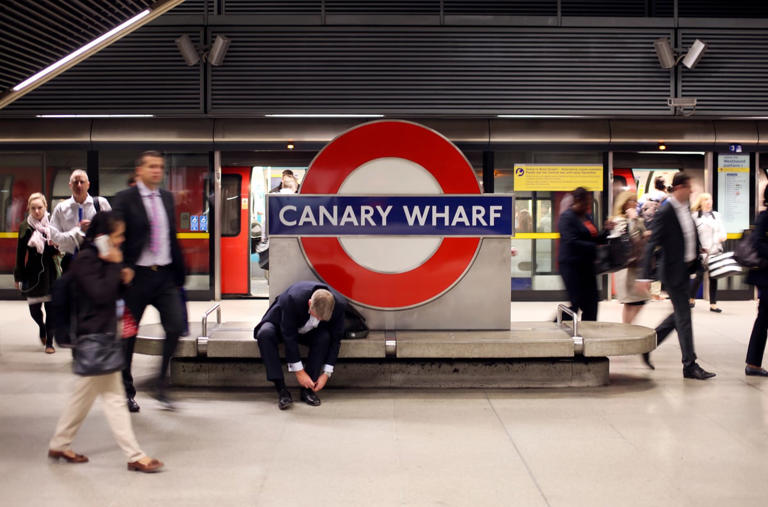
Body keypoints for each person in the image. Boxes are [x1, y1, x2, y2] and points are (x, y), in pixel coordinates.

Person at [48, 211, 163, 473]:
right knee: (113, 398)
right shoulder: (86, 260)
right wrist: (115, 267)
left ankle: (60, 442)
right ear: (102, 237)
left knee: (87, 396)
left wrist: (123, 280)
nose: (121, 240)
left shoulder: (99, 259)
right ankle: (134, 455)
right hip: (93, 336)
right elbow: (100, 295)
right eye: (117, 235)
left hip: (103, 335)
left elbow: (110, 294)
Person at [113, 151, 186, 412]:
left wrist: (180, 273)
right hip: (136, 278)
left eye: (160, 167)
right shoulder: (125, 199)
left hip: (164, 276)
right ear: (139, 170)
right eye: (152, 166)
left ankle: (161, 383)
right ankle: (127, 391)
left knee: (176, 326)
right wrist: (123, 267)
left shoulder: (166, 198)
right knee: (128, 338)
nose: (157, 171)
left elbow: (171, 236)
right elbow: (114, 235)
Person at [638, 172, 715, 380]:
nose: (691, 191)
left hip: (686, 269)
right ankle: (689, 365)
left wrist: (697, 250)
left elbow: (687, 234)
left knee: (679, 316)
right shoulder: (666, 210)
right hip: (672, 272)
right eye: (688, 187)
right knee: (684, 316)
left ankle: (648, 344)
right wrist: (644, 276)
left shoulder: (683, 208)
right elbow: (652, 243)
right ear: (679, 187)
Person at [254, 281, 347, 410]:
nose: (317, 321)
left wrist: (326, 373)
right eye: (316, 316)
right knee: (265, 335)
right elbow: (289, 336)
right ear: (310, 303)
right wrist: (299, 372)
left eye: (322, 319)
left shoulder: (340, 306)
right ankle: (281, 390)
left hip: (309, 332)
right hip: (281, 324)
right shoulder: (292, 299)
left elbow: (336, 340)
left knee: (324, 337)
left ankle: (308, 390)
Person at [14, 193, 60, 354]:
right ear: (29, 209)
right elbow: (20, 254)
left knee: (51, 309)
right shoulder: (24, 227)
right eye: (33, 208)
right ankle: (41, 327)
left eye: (40, 208)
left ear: (45, 207)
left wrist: (56, 246)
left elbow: (60, 249)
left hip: (50, 271)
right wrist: (18, 276)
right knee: (34, 310)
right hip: (32, 273)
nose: (37, 211)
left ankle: (50, 342)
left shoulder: (53, 225)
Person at [557, 187, 612, 321]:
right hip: (571, 266)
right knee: (576, 303)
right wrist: (596, 248)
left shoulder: (586, 217)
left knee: (592, 303)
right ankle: (555, 327)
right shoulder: (567, 217)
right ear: (576, 200)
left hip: (587, 266)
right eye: (585, 203)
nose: (588, 206)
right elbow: (571, 241)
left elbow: (594, 238)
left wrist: (606, 230)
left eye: (589, 203)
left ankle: (589, 332)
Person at [50, 169, 111, 272]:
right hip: (70, 261)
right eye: (75, 182)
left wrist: (95, 229)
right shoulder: (61, 208)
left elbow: (112, 230)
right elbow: (54, 237)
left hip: (96, 259)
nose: (79, 185)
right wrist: (75, 232)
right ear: (70, 185)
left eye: (82, 182)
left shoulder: (101, 204)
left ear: (88, 184)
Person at [611, 191, 650, 324]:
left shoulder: (637, 219)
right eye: (632, 200)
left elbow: (644, 237)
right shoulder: (618, 220)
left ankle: (628, 328)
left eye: (635, 200)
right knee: (631, 302)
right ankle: (627, 328)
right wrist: (633, 221)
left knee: (639, 300)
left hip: (637, 265)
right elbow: (628, 240)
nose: (635, 203)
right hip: (626, 268)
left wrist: (636, 222)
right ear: (624, 203)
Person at [744, 186, 768, 377]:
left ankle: (753, 363)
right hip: (766, 276)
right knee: (763, 319)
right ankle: (753, 363)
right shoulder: (764, 217)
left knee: (763, 319)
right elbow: (758, 244)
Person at [689, 192, 727, 312]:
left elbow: (723, 231)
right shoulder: (695, 216)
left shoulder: (716, 215)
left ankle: (713, 304)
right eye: (705, 200)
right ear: (701, 202)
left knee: (714, 277)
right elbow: (692, 236)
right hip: (703, 252)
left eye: (710, 199)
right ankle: (691, 298)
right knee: (699, 276)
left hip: (715, 251)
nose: (709, 202)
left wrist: (722, 237)